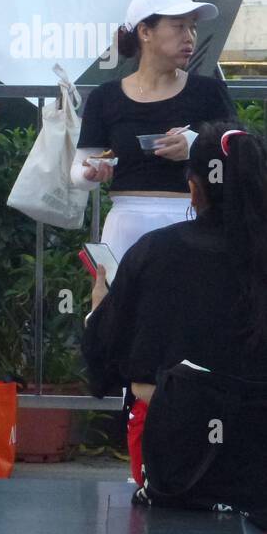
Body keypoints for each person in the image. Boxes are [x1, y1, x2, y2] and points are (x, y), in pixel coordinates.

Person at [84, 122, 267, 488]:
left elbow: (106, 358)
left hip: (171, 448)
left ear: (194, 189)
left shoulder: (154, 252)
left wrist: (98, 310)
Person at [74, 0, 233, 262]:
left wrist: (196, 145)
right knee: (118, 304)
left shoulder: (209, 92)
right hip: (124, 227)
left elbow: (240, 153)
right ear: (145, 32)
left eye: (193, 27)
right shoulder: (105, 97)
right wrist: (90, 173)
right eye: (178, 26)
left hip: (191, 222)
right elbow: (79, 168)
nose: (190, 37)